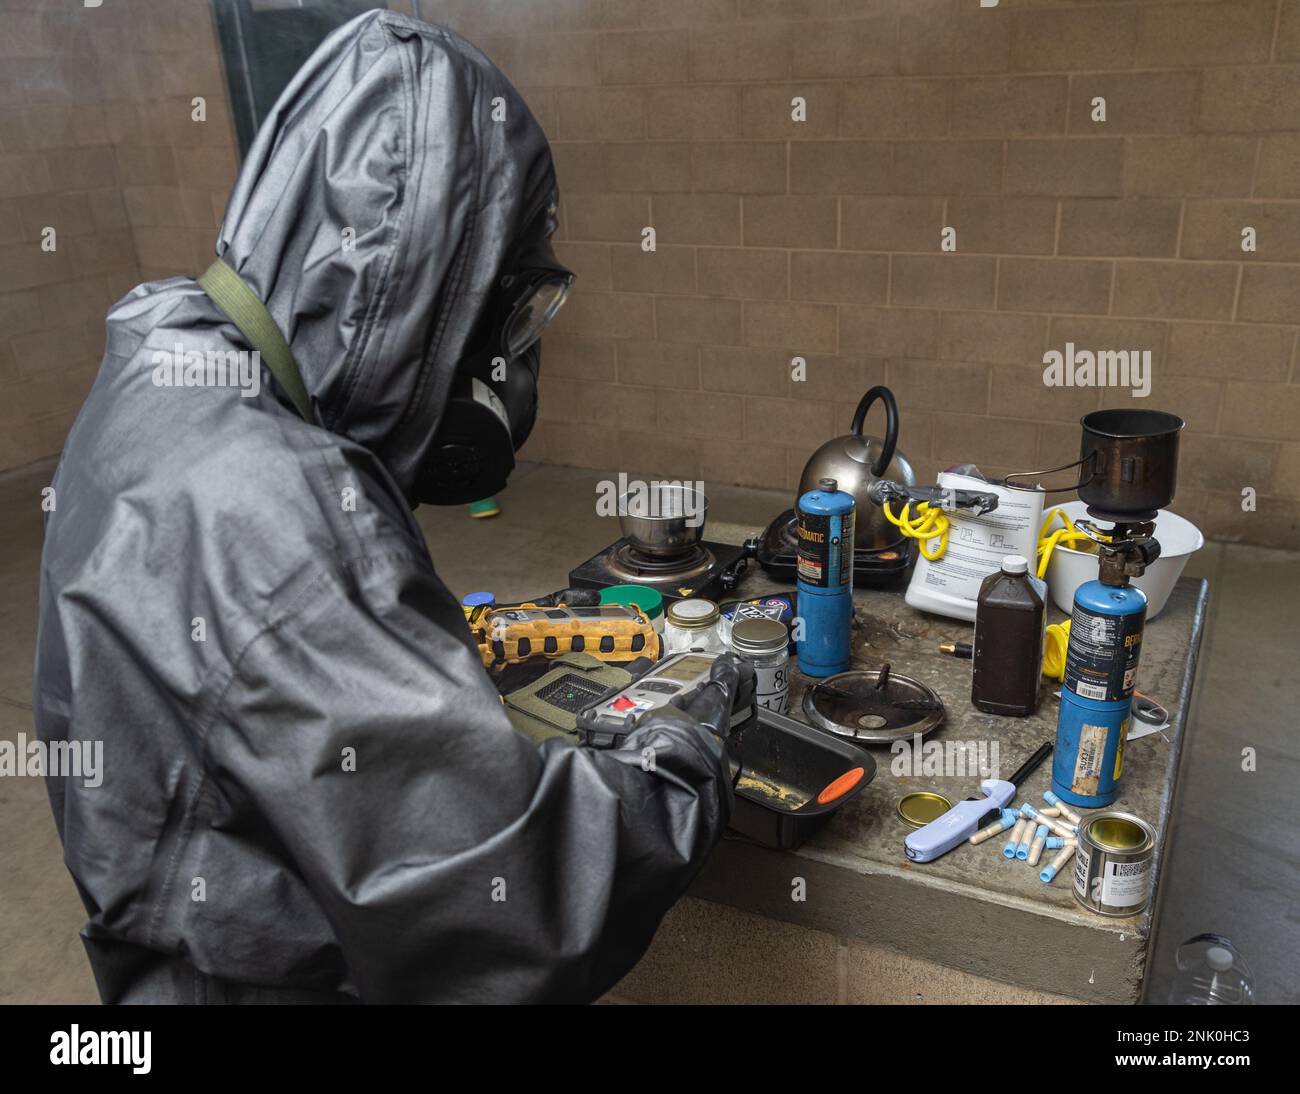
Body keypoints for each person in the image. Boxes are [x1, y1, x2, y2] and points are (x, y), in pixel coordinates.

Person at [33, 12, 744, 1004]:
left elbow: (264, 697)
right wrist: (685, 749)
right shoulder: (276, 506)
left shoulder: (165, 367)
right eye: (502, 308)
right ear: (417, 287)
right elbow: (516, 911)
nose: (508, 363)